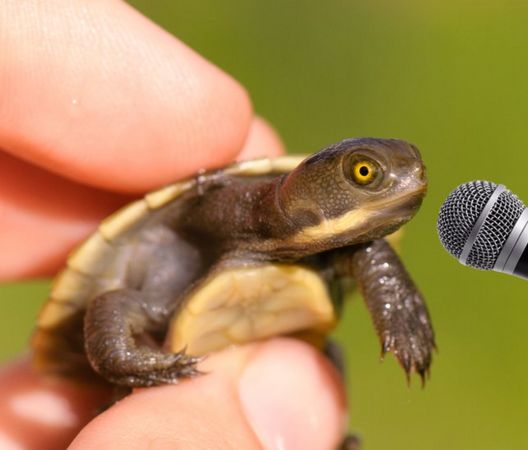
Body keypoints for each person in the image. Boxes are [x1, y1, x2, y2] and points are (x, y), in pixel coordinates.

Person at [0, 1, 346, 448]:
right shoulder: (194, 230)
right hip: (163, 314)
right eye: (363, 174)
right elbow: (111, 304)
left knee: (318, 362)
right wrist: (120, 358)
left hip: (279, 337)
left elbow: (370, 256)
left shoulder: (338, 244)